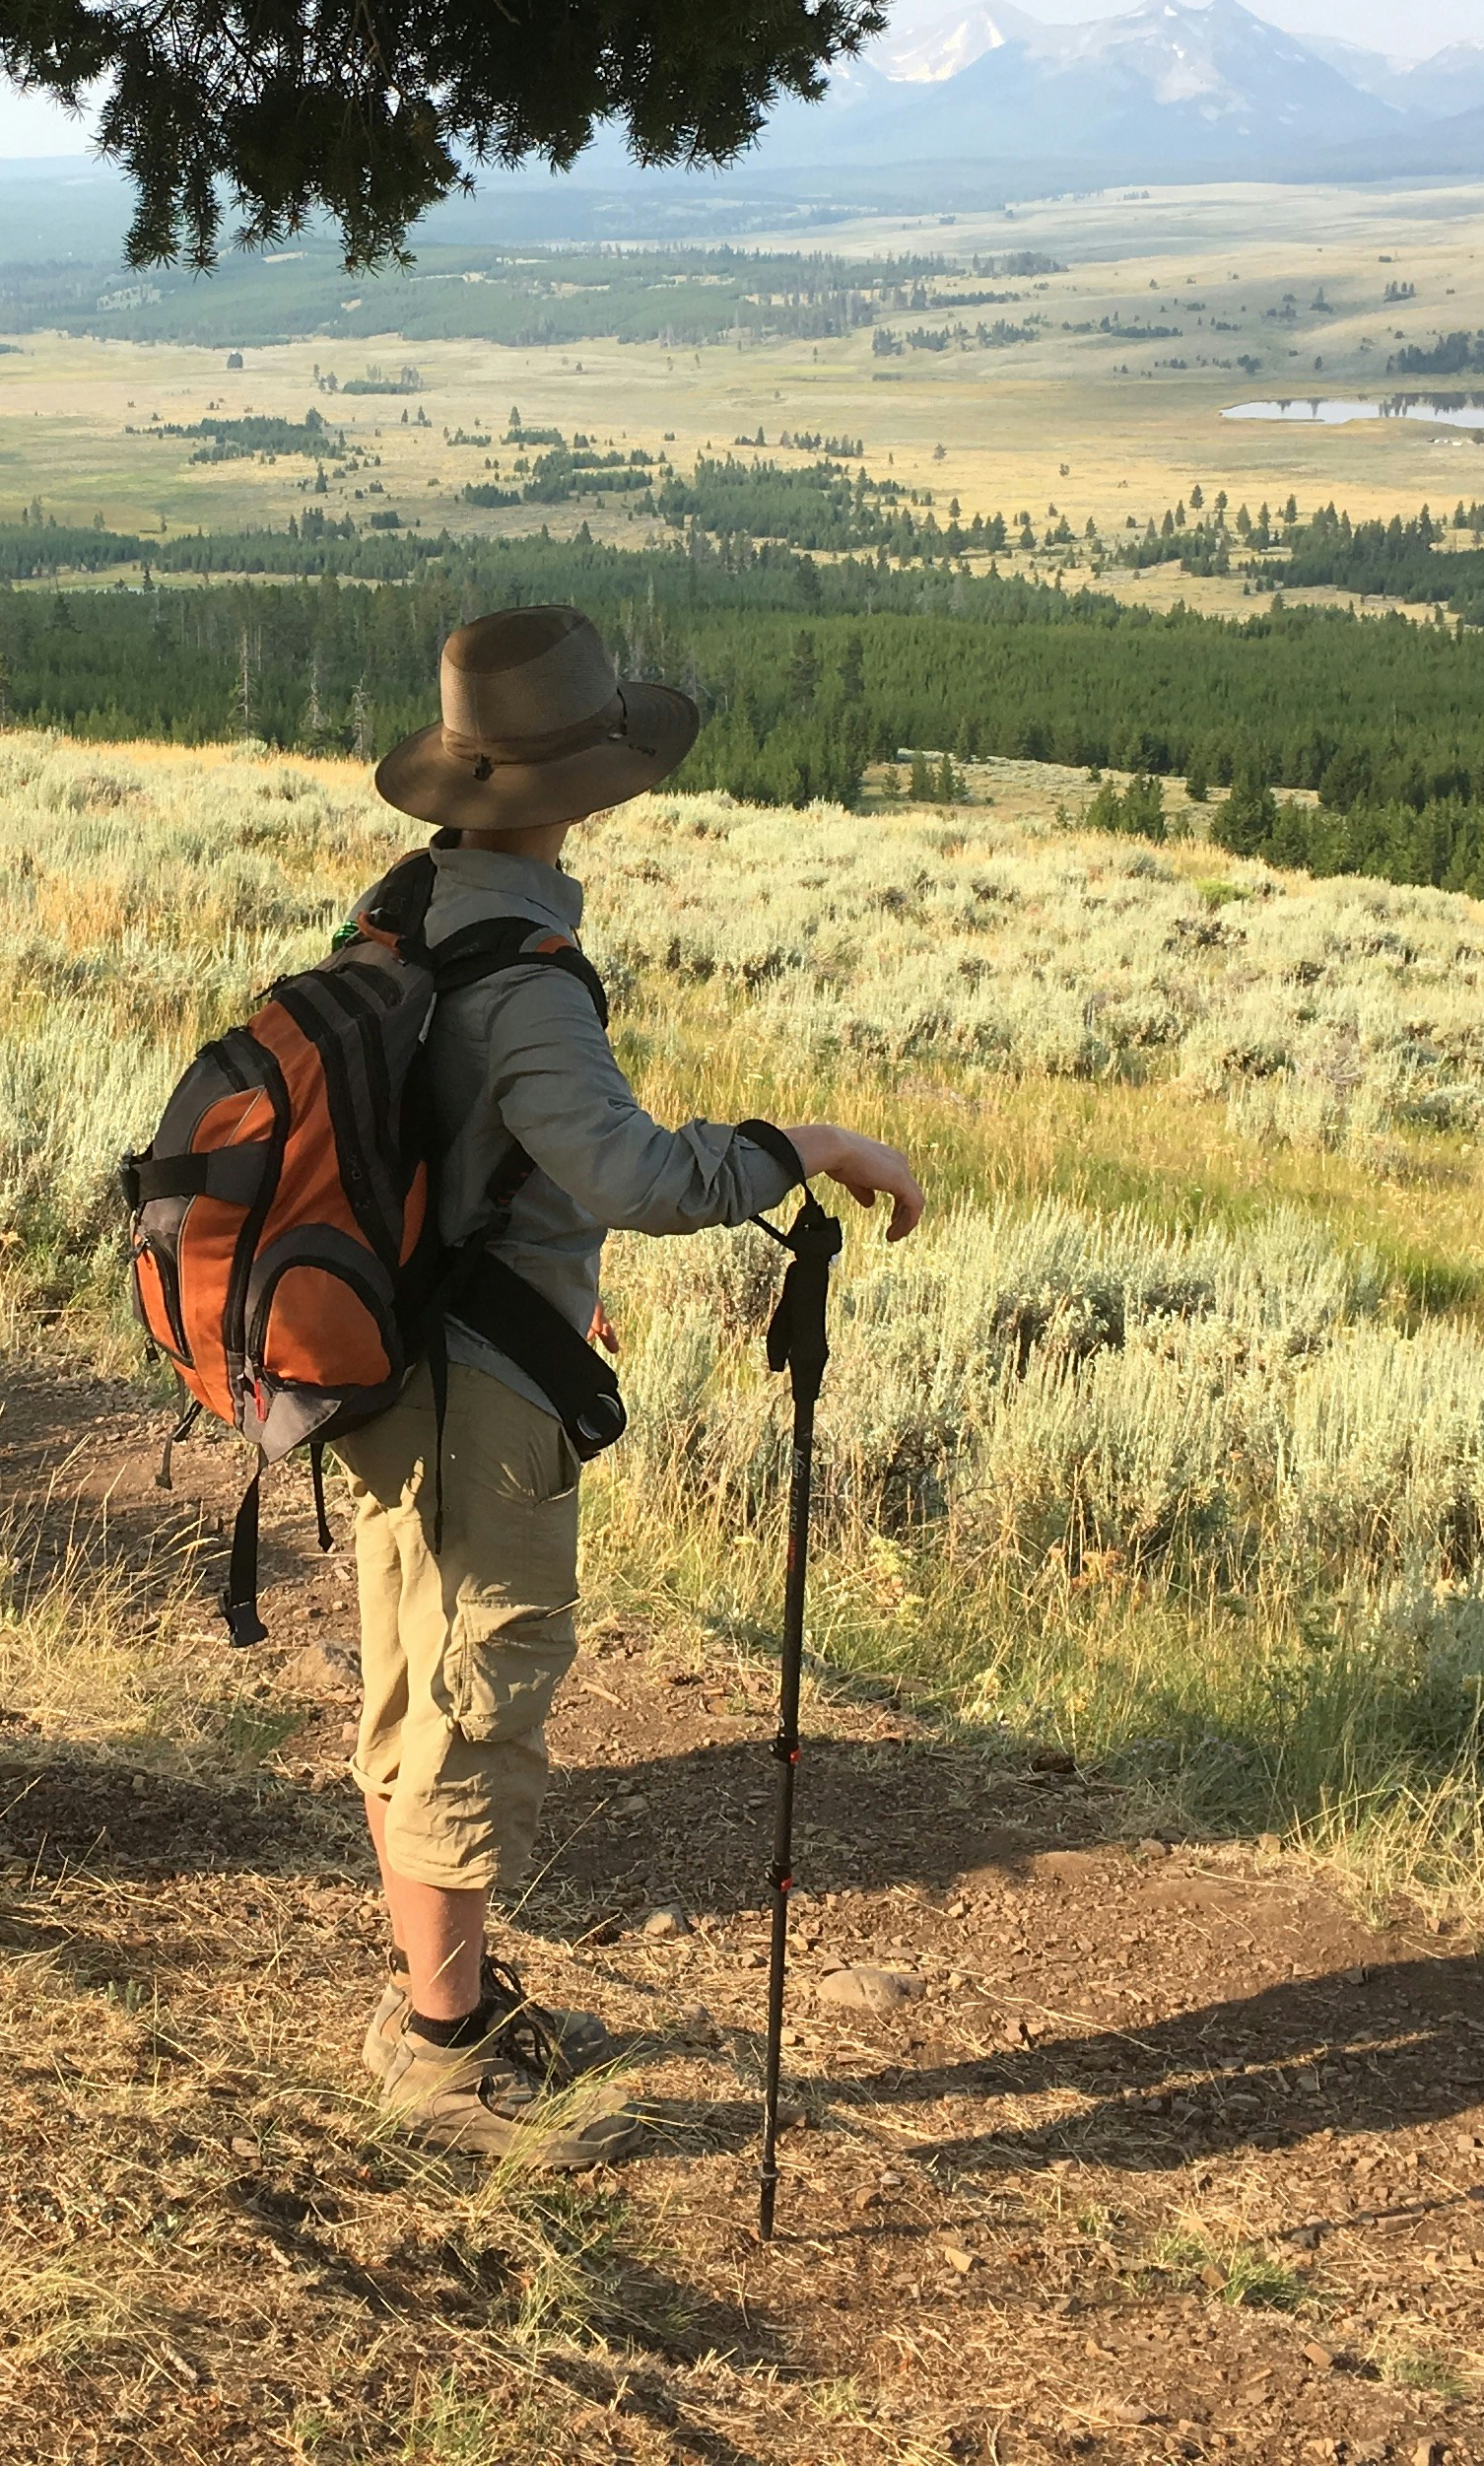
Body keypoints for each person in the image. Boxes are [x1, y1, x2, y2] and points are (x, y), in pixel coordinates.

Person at [340, 604, 923, 2161]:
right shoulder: (521, 966)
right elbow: (628, 1174)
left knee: (413, 1685)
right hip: (480, 1390)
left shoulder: (410, 905)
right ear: (584, 781)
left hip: (403, 1369)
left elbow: (473, 1154)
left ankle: (436, 2005)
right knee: (478, 1698)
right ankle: (450, 2066)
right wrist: (809, 1149)